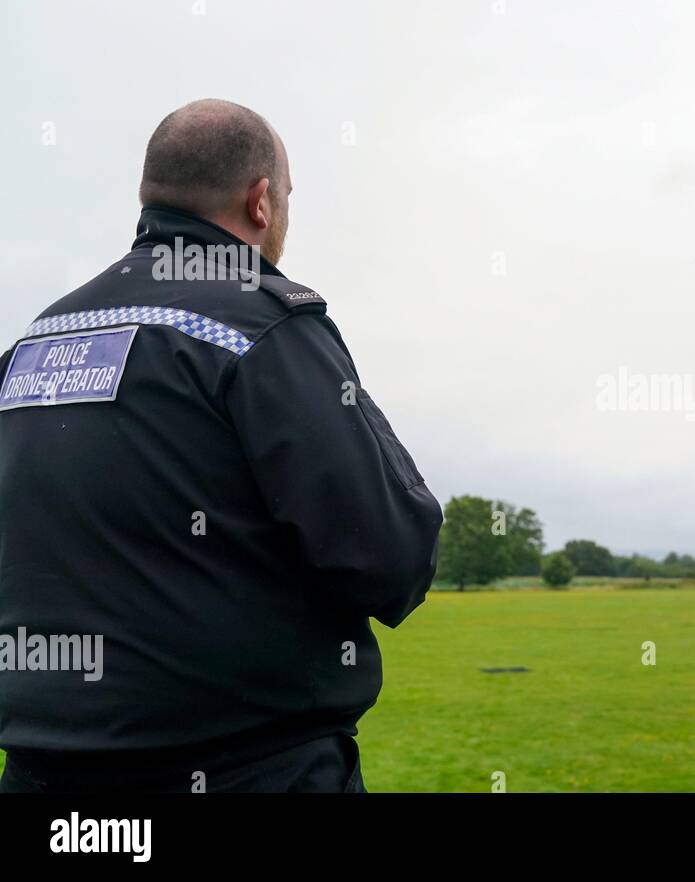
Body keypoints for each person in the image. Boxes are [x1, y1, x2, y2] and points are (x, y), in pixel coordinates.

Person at [0, 99, 443, 792]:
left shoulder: (31, 344)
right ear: (261, 201)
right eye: (289, 197)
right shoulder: (264, 327)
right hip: (247, 770)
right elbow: (393, 556)